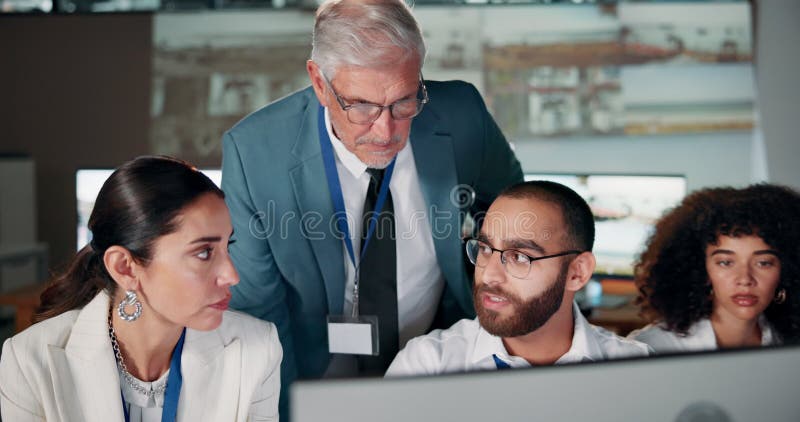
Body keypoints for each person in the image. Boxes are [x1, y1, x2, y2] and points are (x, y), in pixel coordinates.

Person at [220, 0, 522, 412]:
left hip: (442, 368)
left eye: (403, 102)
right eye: (361, 105)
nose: (386, 131)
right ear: (320, 83)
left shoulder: (462, 114)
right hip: (315, 376)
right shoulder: (255, 153)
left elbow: (519, 219)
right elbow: (259, 317)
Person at [0, 156, 282, 422]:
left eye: (226, 247)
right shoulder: (29, 361)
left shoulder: (257, 350)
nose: (232, 275)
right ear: (125, 267)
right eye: (205, 253)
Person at [385, 181, 650, 376]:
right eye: (486, 249)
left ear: (577, 272)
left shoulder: (638, 372)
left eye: (520, 257)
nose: (489, 274)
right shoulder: (427, 367)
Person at [628, 184, 800, 353]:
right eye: (725, 262)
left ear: (786, 270)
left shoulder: (789, 341)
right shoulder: (650, 348)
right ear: (701, 270)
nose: (745, 279)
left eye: (763, 263)